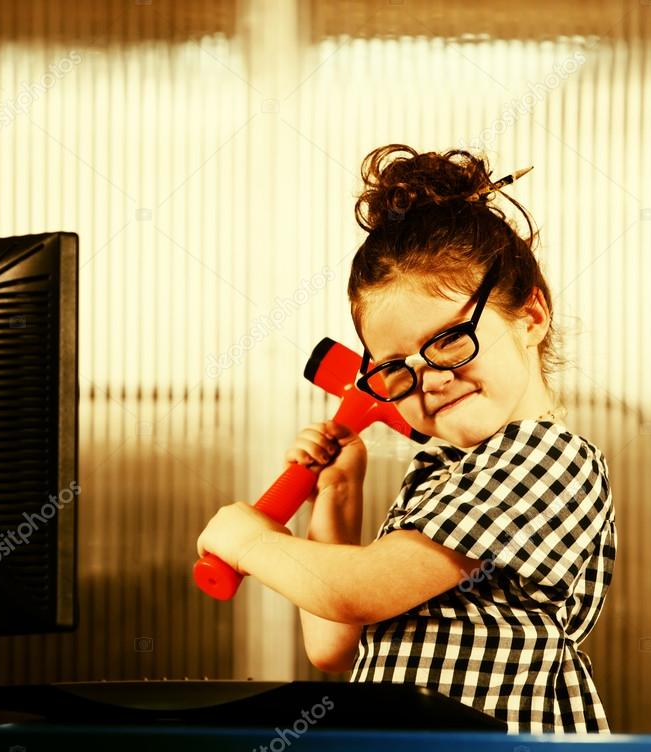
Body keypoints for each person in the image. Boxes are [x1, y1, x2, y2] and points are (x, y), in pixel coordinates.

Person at [195, 144, 617, 733]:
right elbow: (334, 643)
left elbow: (358, 590)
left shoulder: (547, 457)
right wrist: (338, 494)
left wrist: (251, 542)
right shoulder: (442, 471)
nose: (433, 379)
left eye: (449, 338)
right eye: (396, 364)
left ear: (531, 316)